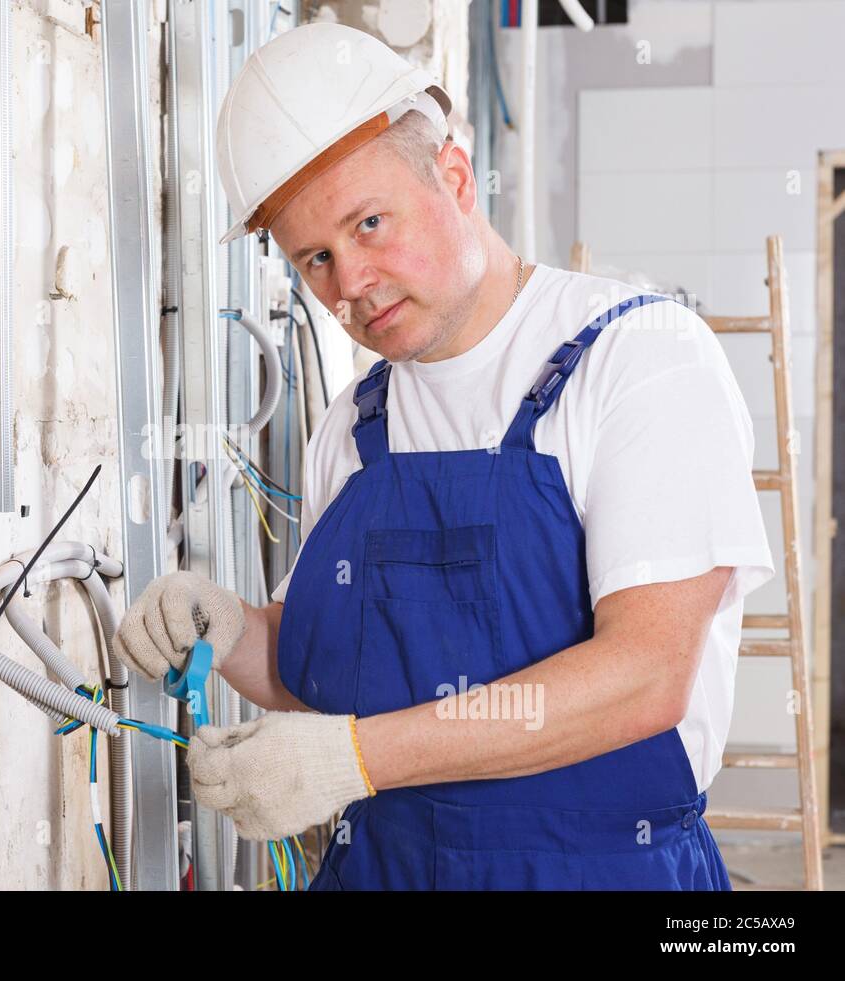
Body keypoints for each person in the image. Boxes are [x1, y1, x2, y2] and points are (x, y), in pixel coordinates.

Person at [114, 21, 773, 890]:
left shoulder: (637, 357)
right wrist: (230, 628)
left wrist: (352, 758)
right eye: (317, 257)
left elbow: (644, 676)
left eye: (370, 223)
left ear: (456, 178)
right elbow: (326, 662)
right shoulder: (353, 426)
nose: (350, 283)